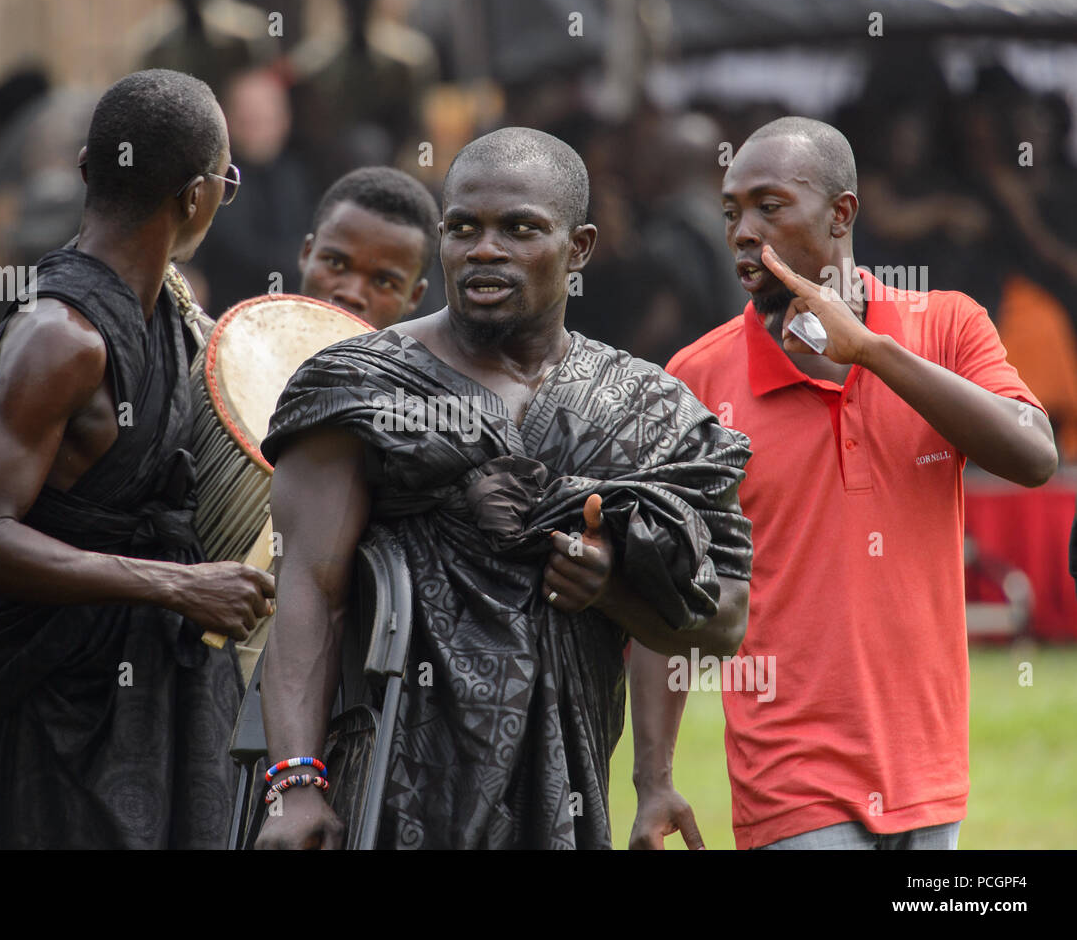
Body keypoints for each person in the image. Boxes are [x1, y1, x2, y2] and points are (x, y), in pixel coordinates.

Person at [254, 127, 753, 850]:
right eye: (463, 228)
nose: (485, 249)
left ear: (578, 248)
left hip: (563, 808)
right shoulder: (359, 384)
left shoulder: (651, 412)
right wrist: (295, 783)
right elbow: (307, 586)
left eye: (519, 229)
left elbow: (725, 616)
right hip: (385, 799)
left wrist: (611, 585)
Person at [640, 116, 1056, 850]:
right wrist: (653, 777)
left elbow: (1033, 455)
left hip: (929, 779)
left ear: (842, 213)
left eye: (769, 206)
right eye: (731, 210)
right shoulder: (696, 378)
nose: (742, 230)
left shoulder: (949, 326)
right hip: (791, 785)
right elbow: (669, 587)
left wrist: (871, 350)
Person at [0, 69, 274, 849]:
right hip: (54, 715)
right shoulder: (62, 336)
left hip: (160, 696)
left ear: (86, 167)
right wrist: (176, 583)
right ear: (197, 196)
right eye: (227, 181)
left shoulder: (173, 321)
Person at [297, 165, 439, 330]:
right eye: (335, 264)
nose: (351, 295)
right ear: (307, 253)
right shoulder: (260, 343)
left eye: (383, 282)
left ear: (414, 296)